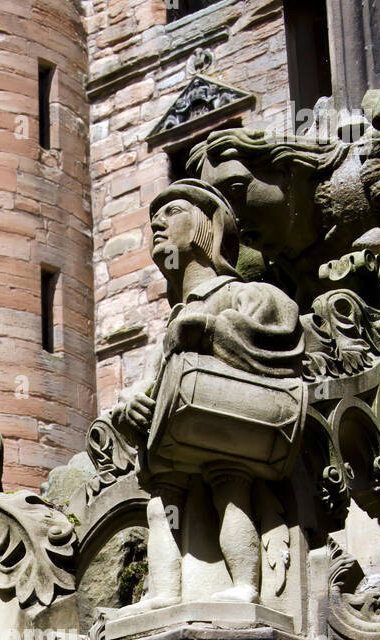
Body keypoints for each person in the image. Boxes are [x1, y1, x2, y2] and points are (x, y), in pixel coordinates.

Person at [113, 179, 305, 605]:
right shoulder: (168, 327)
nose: (157, 224)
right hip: (174, 453)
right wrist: (130, 409)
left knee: (229, 486)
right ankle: (163, 593)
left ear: (208, 228)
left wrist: (212, 329)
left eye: (173, 212)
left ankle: (244, 587)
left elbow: (280, 328)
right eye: (152, 219)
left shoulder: (238, 293)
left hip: (229, 429)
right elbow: (147, 389)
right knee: (160, 506)